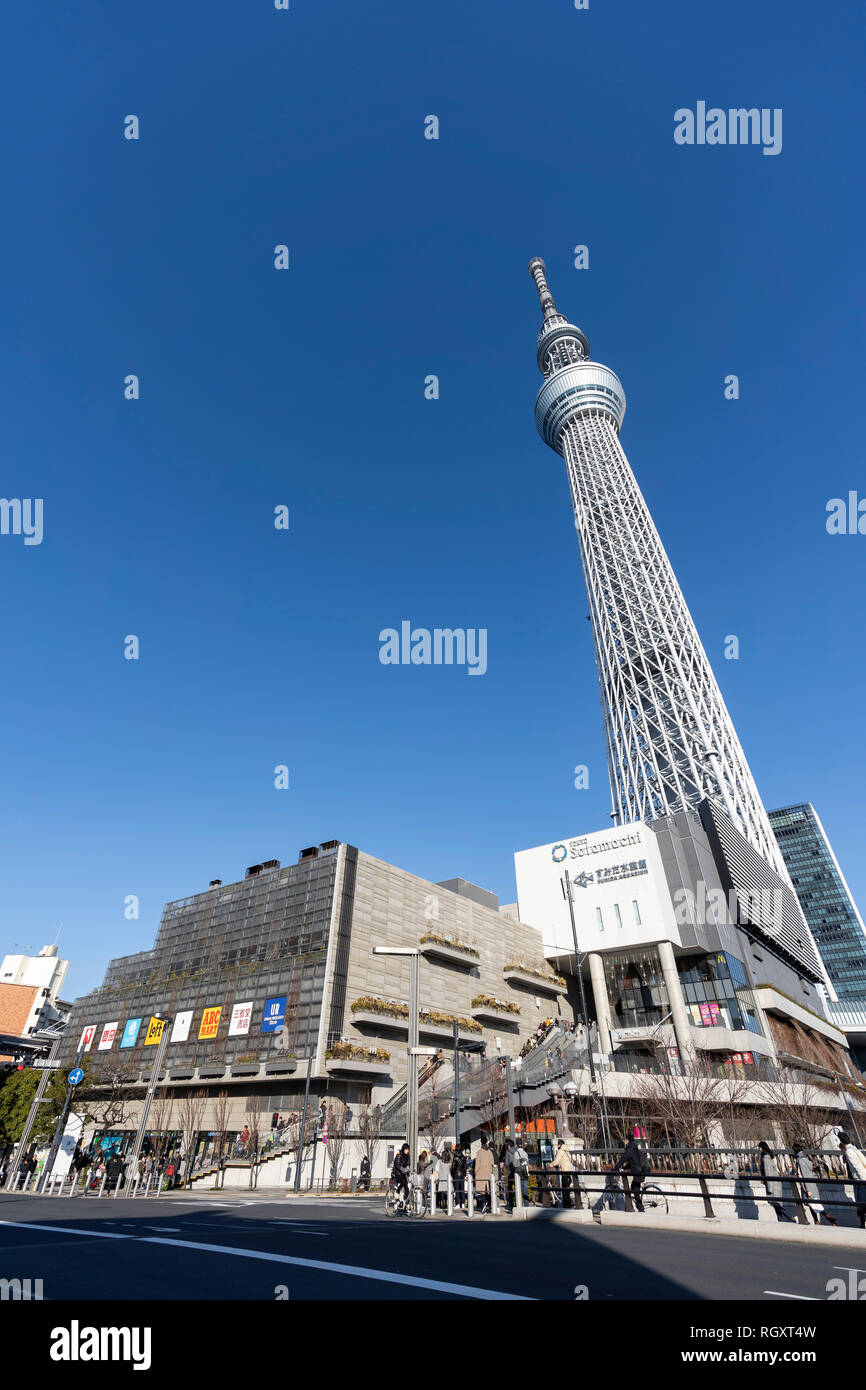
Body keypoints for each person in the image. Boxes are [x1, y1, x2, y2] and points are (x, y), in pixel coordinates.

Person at [792, 1139, 836, 1226]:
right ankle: (816, 1221)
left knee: (814, 1205)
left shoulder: (799, 1161)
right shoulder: (805, 1159)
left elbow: (802, 1175)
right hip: (812, 1185)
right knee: (812, 1205)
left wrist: (807, 1190)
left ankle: (829, 1218)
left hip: (807, 1186)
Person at [613, 1134, 649, 1213]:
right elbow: (633, 1162)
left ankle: (641, 1208)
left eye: (625, 1140)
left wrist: (616, 1168)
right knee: (635, 1187)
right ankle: (637, 1204)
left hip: (641, 1169)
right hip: (643, 1167)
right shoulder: (634, 1147)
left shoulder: (630, 1149)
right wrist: (624, 1168)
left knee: (634, 1188)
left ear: (627, 1140)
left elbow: (623, 1159)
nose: (624, 1141)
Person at [758, 1141, 793, 1222]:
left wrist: (769, 1188)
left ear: (762, 1147)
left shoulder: (765, 1158)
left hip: (772, 1184)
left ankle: (791, 1217)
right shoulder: (769, 1157)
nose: (759, 1149)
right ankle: (781, 1220)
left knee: (776, 1204)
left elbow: (768, 1172)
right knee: (776, 1204)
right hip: (775, 1183)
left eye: (759, 1147)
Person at [838, 1130, 866, 1229]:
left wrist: (863, 1179)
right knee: (861, 1203)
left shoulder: (849, 1152)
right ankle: (862, 1224)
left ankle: (863, 1224)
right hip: (861, 1179)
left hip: (860, 1180)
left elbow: (857, 1166)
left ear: (841, 1141)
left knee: (861, 1203)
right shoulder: (855, 1149)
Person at [550, 1138, 575, 1209]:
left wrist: (550, 1165)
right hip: (569, 1173)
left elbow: (557, 1161)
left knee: (564, 1192)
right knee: (567, 1191)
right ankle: (569, 1206)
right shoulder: (567, 1151)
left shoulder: (560, 1151)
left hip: (564, 1173)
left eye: (558, 1144)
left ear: (559, 1145)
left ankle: (566, 1207)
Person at [474, 1137, 495, 1213]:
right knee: (488, 1190)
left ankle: (484, 1203)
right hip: (489, 1173)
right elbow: (492, 1162)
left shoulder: (479, 1152)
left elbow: (477, 1164)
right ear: (486, 1142)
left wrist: (476, 1171)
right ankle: (488, 1205)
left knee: (481, 1191)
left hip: (480, 1173)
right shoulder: (489, 1152)